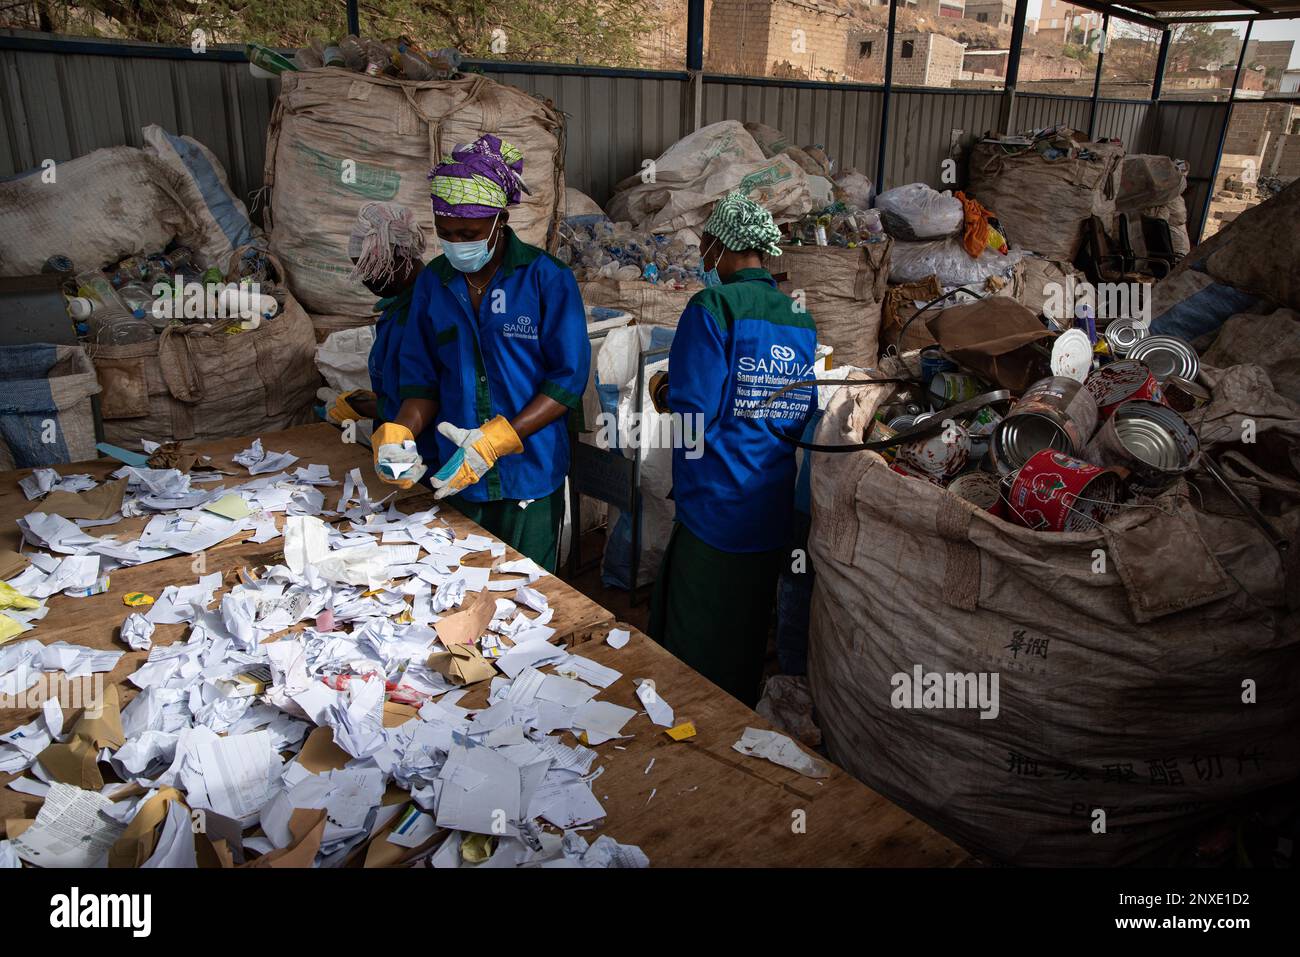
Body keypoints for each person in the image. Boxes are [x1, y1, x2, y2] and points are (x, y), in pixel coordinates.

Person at [372, 134, 590, 572]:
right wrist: (400, 431)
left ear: (499, 220)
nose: (456, 243)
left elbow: (567, 378)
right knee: (465, 588)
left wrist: (497, 440)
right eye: (445, 232)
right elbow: (422, 380)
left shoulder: (546, 280)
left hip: (528, 471)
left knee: (528, 593)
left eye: (468, 233)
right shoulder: (434, 282)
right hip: (458, 479)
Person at [647, 192, 817, 706]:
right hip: (768, 502)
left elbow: (694, 408)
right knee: (745, 630)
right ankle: (737, 716)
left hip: (715, 504)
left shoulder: (713, 306)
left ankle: (688, 727)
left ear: (718, 246)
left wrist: (662, 389)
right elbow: (799, 409)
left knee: (693, 640)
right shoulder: (799, 318)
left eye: (704, 246)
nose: (703, 258)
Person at [325, 202, 440, 471]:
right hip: (401, 449)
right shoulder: (396, 308)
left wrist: (363, 405)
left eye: (372, 268)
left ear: (403, 258)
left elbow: (427, 396)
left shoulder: (423, 312)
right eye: (361, 269)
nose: (366, 279)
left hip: (425, 455)